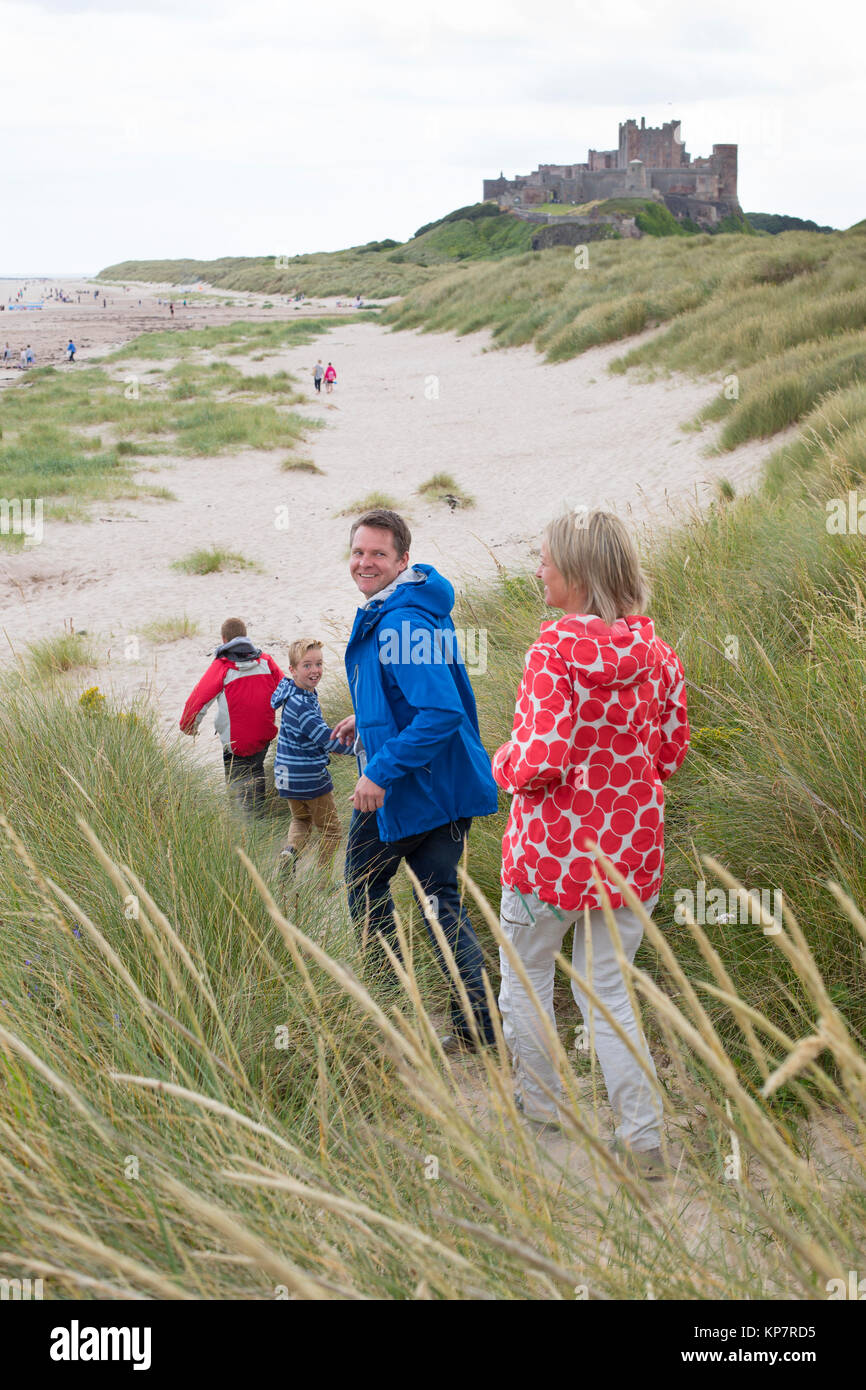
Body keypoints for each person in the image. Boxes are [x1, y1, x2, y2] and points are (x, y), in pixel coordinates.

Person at [492, 510, 689, 1173]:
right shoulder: (659, 654)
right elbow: (669, 752)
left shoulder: (553, 652)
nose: (537, 568)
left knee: (525, 980)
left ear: (577, 572)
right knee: (608, 995)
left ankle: (542, 1108)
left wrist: (502, 763)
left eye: (545, 558)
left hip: (549, 857)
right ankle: (643, 1137)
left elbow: (541, 759)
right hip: (632, 853)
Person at [331, 508, 499, 1053]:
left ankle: (393, 1019)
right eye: (358, 552)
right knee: (438, 905)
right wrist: (371, 717)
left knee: (363, 888)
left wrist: (379, 769)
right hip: (441, 787)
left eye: (378, 554)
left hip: (413, 790)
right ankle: (478, 1031)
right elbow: (417, 695)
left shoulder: (401, 621)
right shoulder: (408, 606)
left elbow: (440, 711)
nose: (365, 562)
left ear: (402, 559)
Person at [179, 617, 284, 816]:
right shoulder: (265, 661)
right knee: (256, 772)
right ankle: (259, 814)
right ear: (246, 636)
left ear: (223, 639)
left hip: (235, 743)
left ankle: (246, 827)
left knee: (237, 788)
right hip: (263, 736)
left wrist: (188, 726)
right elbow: (285, 688)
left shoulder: (223, 666)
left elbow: (199, 698)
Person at [270, 638, 351, 879]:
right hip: (308, 776)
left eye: (319, 663)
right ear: (293, 670)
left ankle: (290, 852)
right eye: (307, 665)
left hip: (285, 775)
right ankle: (324, 880)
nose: (315, 670)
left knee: (301, 818)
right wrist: (358, 747)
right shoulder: (301, 705)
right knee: (331, 830)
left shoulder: (291, 691)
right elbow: (325, 739)